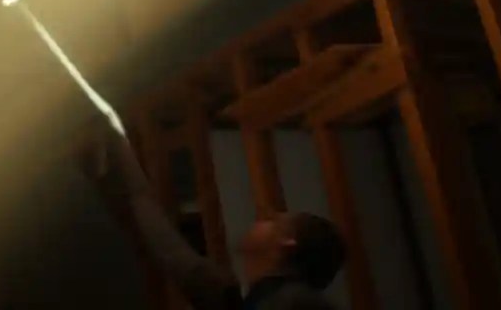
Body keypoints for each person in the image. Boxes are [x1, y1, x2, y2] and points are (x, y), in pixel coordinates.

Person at [78, 128, 345, 309]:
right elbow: (166, 244)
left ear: (287, 242)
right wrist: (116, 150)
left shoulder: (298, 304)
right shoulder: (239, 298)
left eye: (274, 221)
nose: (262, 219)